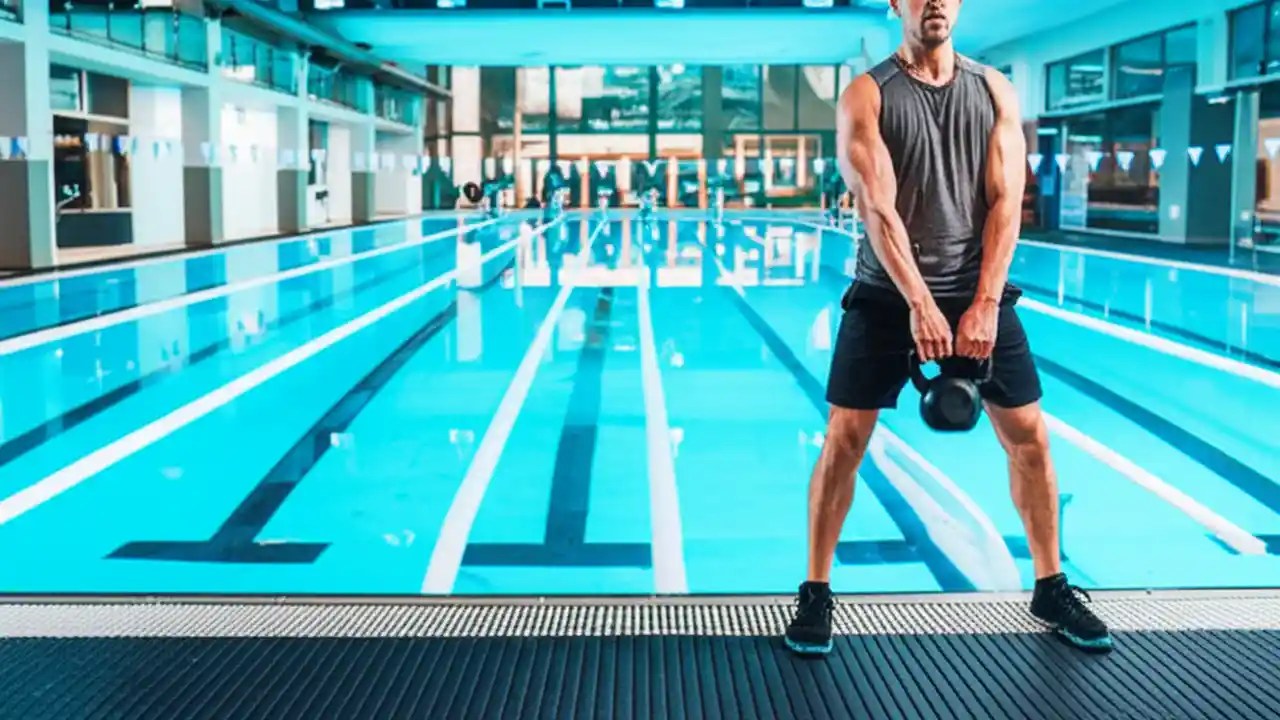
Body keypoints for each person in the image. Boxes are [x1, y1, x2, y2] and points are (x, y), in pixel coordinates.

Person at [784, 0, 1112, 656]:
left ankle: (1050, 584)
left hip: (976, 292)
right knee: (845, 439)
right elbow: (875, 207)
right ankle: (816, 590)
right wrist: (919, 303)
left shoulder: (993, 90)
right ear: (896, 5)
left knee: (1030, 439)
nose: (935, 1)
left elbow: (1004, 202)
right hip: (886, 295)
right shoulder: (866, 93)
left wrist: (984, 302)